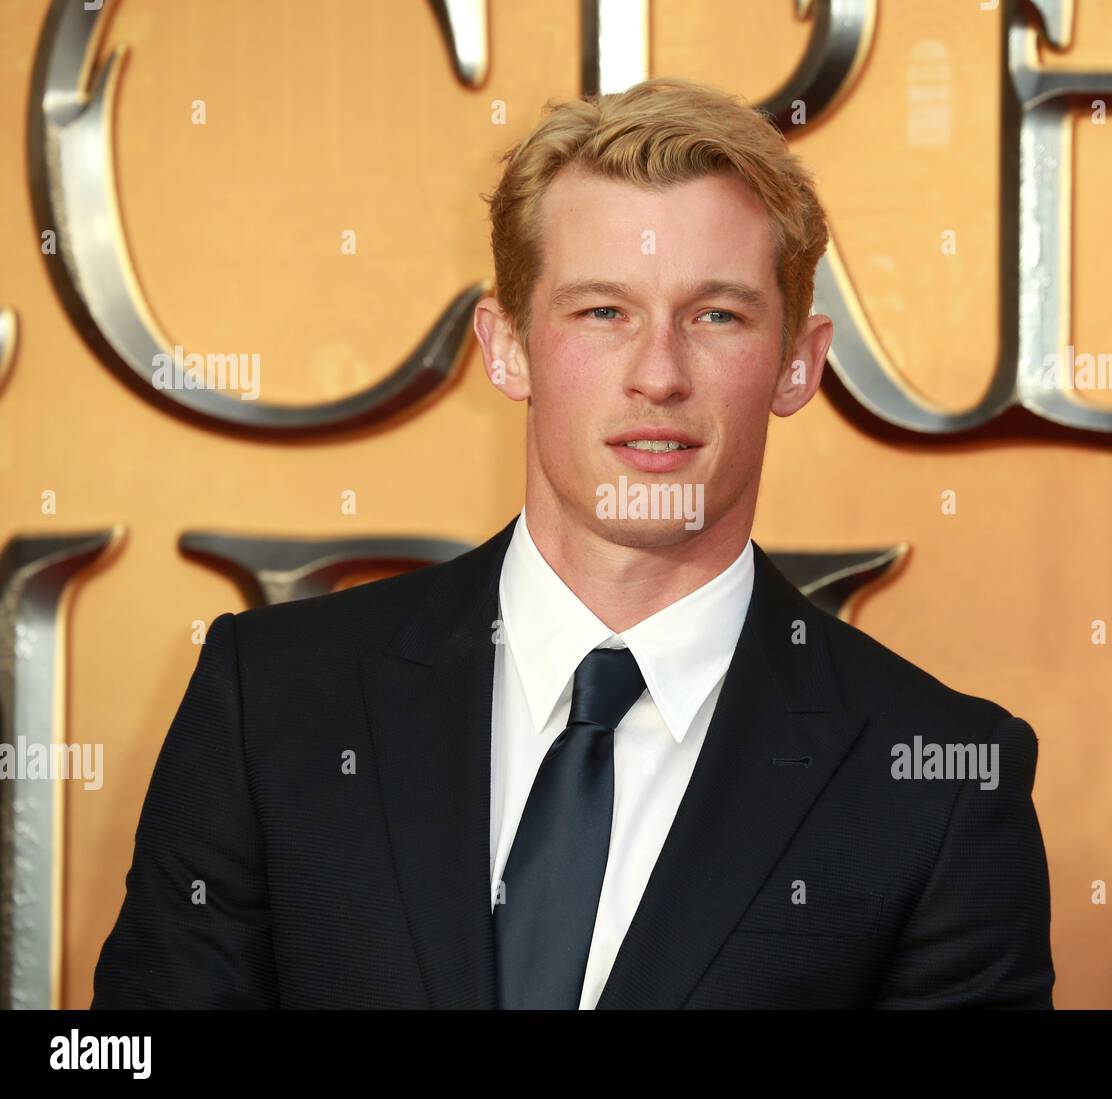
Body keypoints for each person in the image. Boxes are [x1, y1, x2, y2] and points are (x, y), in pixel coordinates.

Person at [93, 76, 1053, 1009]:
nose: (659, 374)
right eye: (604, 311)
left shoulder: (941, 779)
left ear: (798, 365)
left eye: (716, 314)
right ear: (506, 344)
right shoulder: (274, 701)